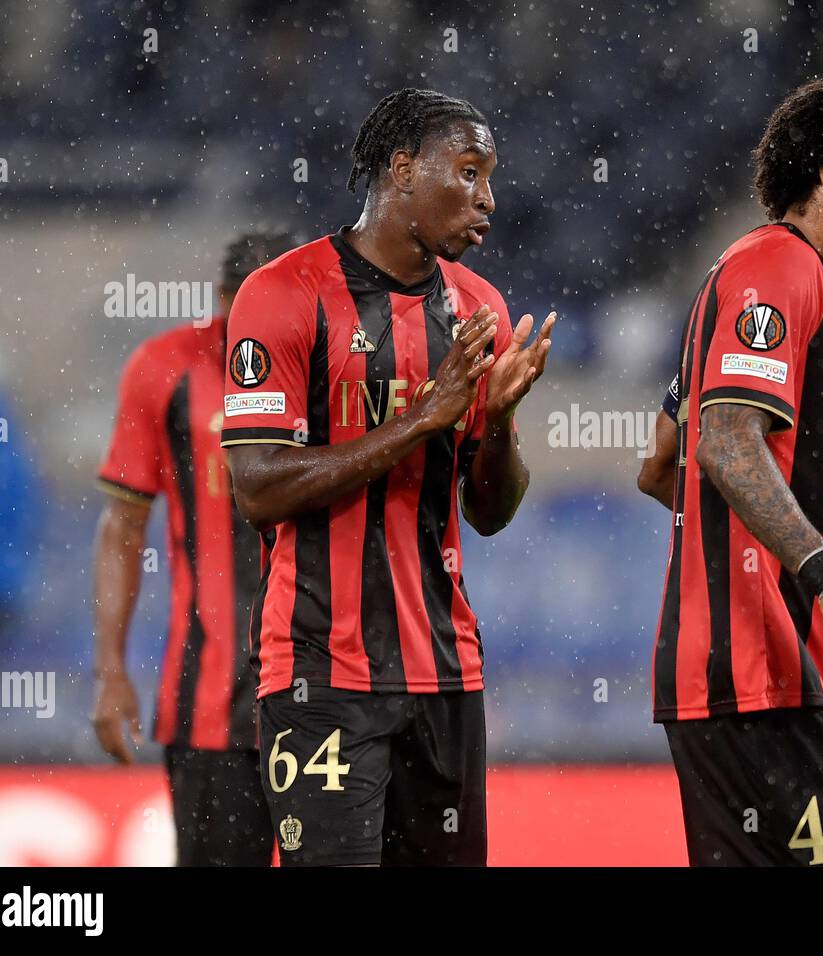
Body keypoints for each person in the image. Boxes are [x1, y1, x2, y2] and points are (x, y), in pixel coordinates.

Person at [222, 89, 554, 867]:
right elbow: (257, 486)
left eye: (492, 178)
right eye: (468, 173)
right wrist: (421, 418)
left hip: (445, 671)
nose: (488, 200)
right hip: (318, 673)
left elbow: (490, 512)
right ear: (402, 169)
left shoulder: (480, 309)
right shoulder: (283, 294)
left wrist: (497, 421)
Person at [647, 71, 823, 866]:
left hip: (762, 678)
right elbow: (725, 443)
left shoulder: (790, 290)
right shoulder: (778, 268)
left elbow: (659, 461)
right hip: (761, 684)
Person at [92, 231, 298, 866]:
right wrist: (111, 673)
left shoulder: (338, 367)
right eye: (247, 315)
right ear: (222, 300)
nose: (260, 340)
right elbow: (122, 529)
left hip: (331, 697)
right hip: (210, 704)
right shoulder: (164, 368)